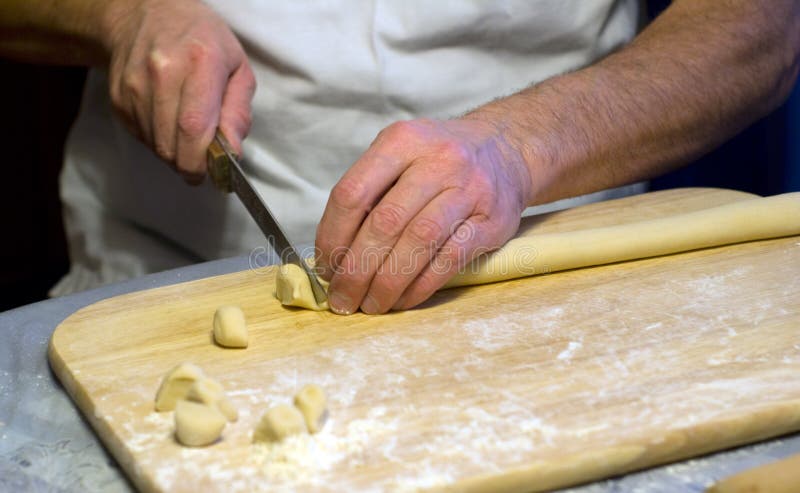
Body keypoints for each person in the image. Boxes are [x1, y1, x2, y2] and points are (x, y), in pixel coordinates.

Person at [1, 1, 797, 315]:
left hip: (538, 282)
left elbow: (757, 25)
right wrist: (119, 15)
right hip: (156, 282)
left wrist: (522, 144)